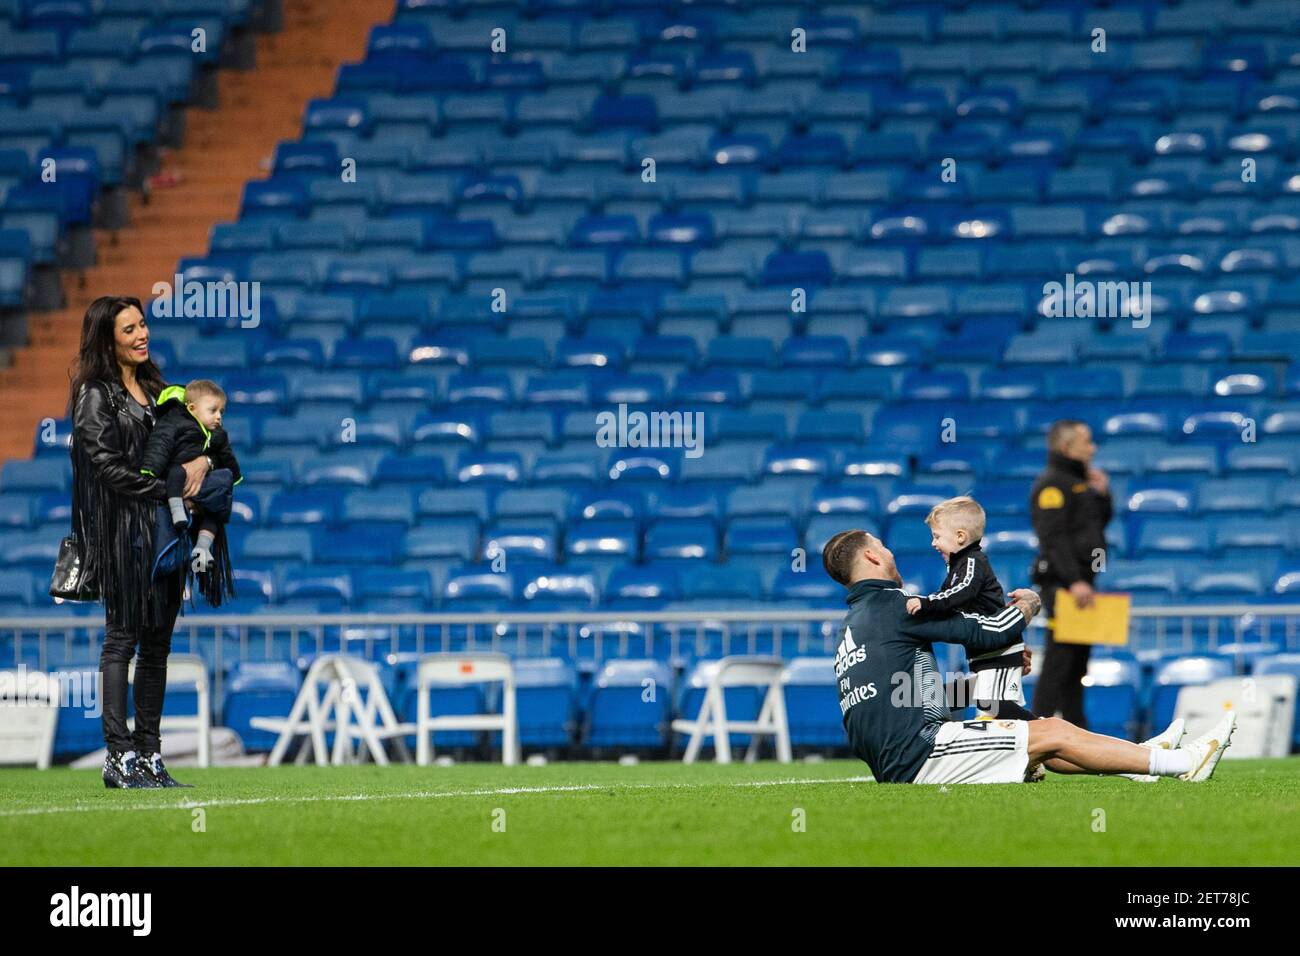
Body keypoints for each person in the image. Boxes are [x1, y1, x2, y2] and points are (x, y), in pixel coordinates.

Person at [821, 529, 1235, 785]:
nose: (891, 554)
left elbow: (906, 695)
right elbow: (993, 630)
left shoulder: (852, 628)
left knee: (1038, 740)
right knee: (1051, 731)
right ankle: (1182, 762)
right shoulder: (896, 605)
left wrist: (989, 679)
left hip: (900, 758)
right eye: (884, 548)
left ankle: (1138, 761)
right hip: (921, 755)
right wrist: (1029, 606)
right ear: (873, 557)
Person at [68, 295, 209, 789]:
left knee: (157, 647)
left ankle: (149, 753)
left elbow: (194, 438)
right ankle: (117, 754)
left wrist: (202, 463)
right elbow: (105, 468)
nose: (142, 334)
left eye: (143, 324)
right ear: (108, 339)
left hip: (165, 534)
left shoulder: (157, 387)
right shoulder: (94, 394)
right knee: (122, 641)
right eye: (129, 330)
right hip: (124, 535)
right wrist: (167, 488)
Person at [905, 495, 1033, 721]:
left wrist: (926, 603)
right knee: (993, 714)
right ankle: (1044, 737)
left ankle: (1048, 732)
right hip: (985, 656)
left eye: (937, 537)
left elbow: (960, 592)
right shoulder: (957, 567)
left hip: (1000, 652)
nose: (933, 544)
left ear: (960, 537)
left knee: (998, 713)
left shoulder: (972, 562)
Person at [1030, 419, 1112, 725]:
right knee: (1059, 660)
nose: (1092, 448)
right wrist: (1074, 580)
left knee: (1077, 664)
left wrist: (1103, 495)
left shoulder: (1081, 483)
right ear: (1067, 447)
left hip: (1082, 584)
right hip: (1064, 585)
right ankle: (1037, 730)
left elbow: (1094, 527)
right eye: (1086, 442)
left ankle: (1077, 731)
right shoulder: (1052, 485)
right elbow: (1053, 538)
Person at [138, 378, 240, 605]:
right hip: (173, 486)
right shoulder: (175, 422)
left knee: (220, 501)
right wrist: (150, 471)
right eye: (213, 410)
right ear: (192, 408)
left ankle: (202, 549)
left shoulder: (217, 435)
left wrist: (215, 465)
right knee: (177, 472)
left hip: (202, 493)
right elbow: (160, 446)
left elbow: (229, 462)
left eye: (221, 411)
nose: (219, 416)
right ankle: (178, 511)